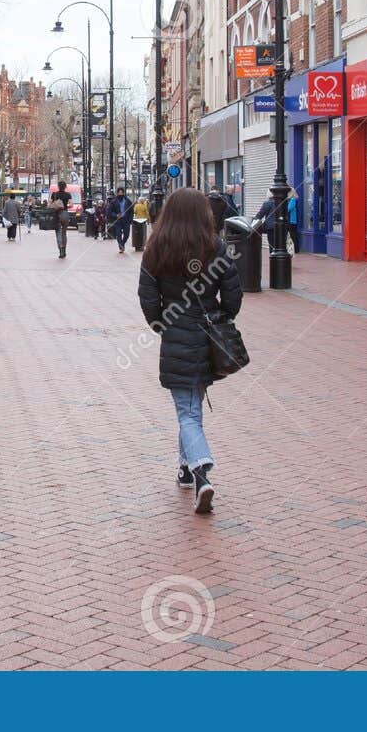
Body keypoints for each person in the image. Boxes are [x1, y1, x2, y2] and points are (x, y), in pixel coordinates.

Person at [137, 187, 243, 515]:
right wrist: (220, 318)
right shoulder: (215, 247)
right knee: (191, 407)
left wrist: (161, 324)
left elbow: (147, 297)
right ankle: (187, 470)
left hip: (175, 336)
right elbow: (233, 295)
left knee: (187, 411)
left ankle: (199, 470)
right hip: (206, 336)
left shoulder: (157, 247)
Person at [47, 180, 73, 258]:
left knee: (58, 232)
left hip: (56, 215)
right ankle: (64, 250)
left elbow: (49, 205)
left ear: (58, 186)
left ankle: (60, 249)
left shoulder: (54, 194)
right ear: (65, 186)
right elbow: (71, 205)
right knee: (64, 233)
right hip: (65, 214)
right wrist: (65, 206)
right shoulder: (68, 194)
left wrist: (56, 206)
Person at [107, 187, 135, 255]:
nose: (120, 193)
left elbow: (131, 211)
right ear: (117, 193)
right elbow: (109, 211)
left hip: (126, 220)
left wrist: (130, 219)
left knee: (127, 234)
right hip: (118, 220)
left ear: (123, 193)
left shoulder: (128, 201)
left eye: (121, 192)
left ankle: (122, 243)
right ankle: (121, 247)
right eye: (119, 192)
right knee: (118, 234)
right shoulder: (113, 201)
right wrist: (116, 215)